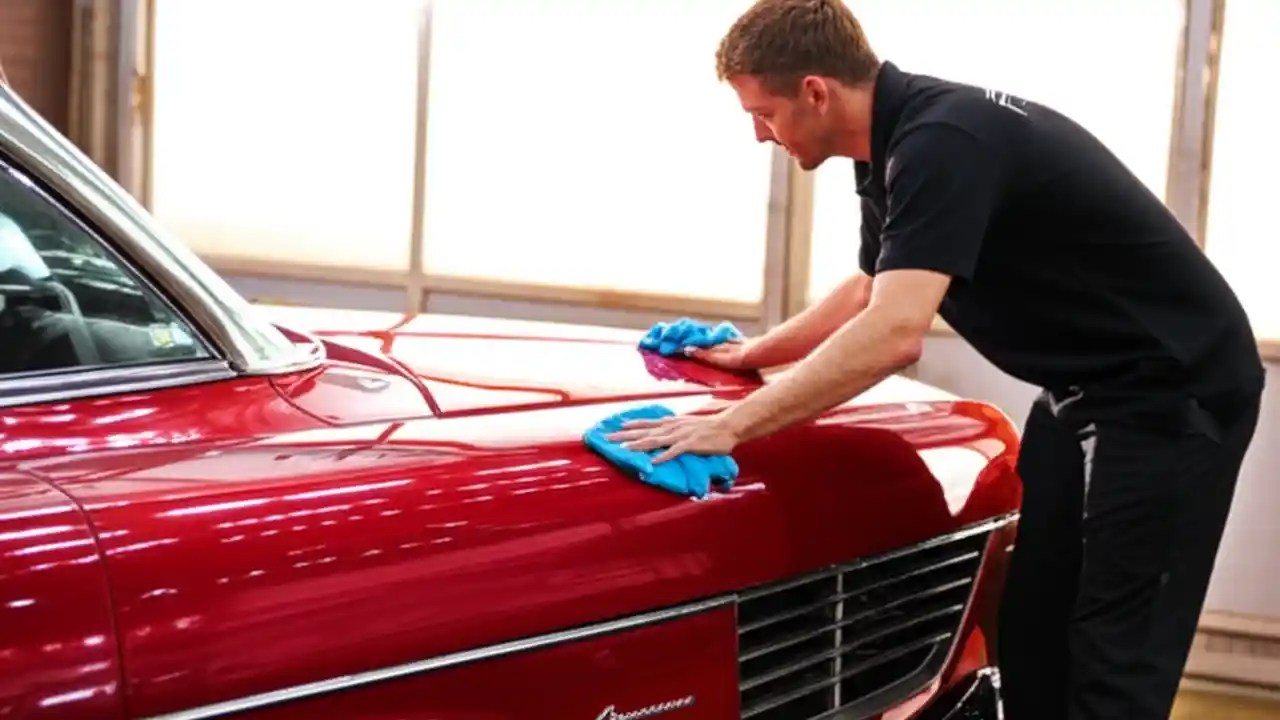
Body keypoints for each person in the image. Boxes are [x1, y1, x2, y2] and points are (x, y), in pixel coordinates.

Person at [606, 1, 1266, 718]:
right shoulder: (890, 149)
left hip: (1171, 390)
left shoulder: (942, 141)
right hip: (1079, 391)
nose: (759, 134)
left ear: (816, 92)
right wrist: (755, 352)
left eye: (762, 113)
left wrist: (732, 426)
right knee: (1034, 629)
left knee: (1113, 653)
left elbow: (896, 331)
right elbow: (871, 287)